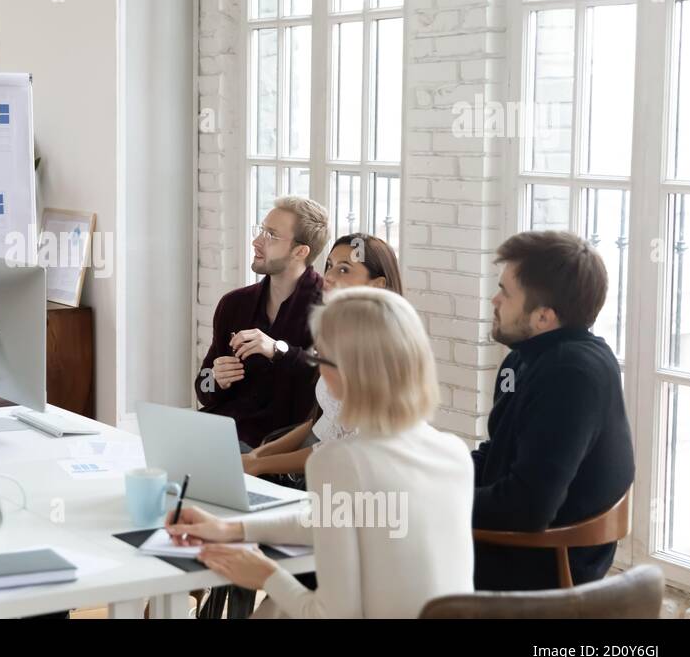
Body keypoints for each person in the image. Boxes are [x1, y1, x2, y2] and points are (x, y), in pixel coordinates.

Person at [169, 288, 474, 618]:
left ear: (347, 372)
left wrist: (264, 574)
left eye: (319, 357)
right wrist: (234, 530)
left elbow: (329, 614)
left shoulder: (341, 461)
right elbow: (338, 520)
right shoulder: (454, 452)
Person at [473, 231, 634, 590]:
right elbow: (495, 455)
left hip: (541, 560)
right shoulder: (523, 359)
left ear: (544, 317)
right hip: (512, 545)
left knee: (380, 542)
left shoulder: (571, 374)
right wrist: (431, 469)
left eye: (506, 293)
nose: (494, 299)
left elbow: (528, 507)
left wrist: (433, 498)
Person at [241, 233, 403, 483]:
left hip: (350, 482)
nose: (328, 276)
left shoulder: (377, 351)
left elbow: (340, 448)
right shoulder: (341, 332)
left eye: (344, 269)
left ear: (377, 285)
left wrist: (260, 464)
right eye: (329, 266)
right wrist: (261, 454)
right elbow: (323, 420)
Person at [194, 196, 329, 448]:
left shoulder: (330, 310)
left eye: (271, 236)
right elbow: (203, 388)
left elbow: (327, 382)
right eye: (261, 230)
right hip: (225, 432)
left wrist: (278, 350)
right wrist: (215, 378)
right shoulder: (234, 304)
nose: (256, 242)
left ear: (301, 251)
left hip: (281, 446)